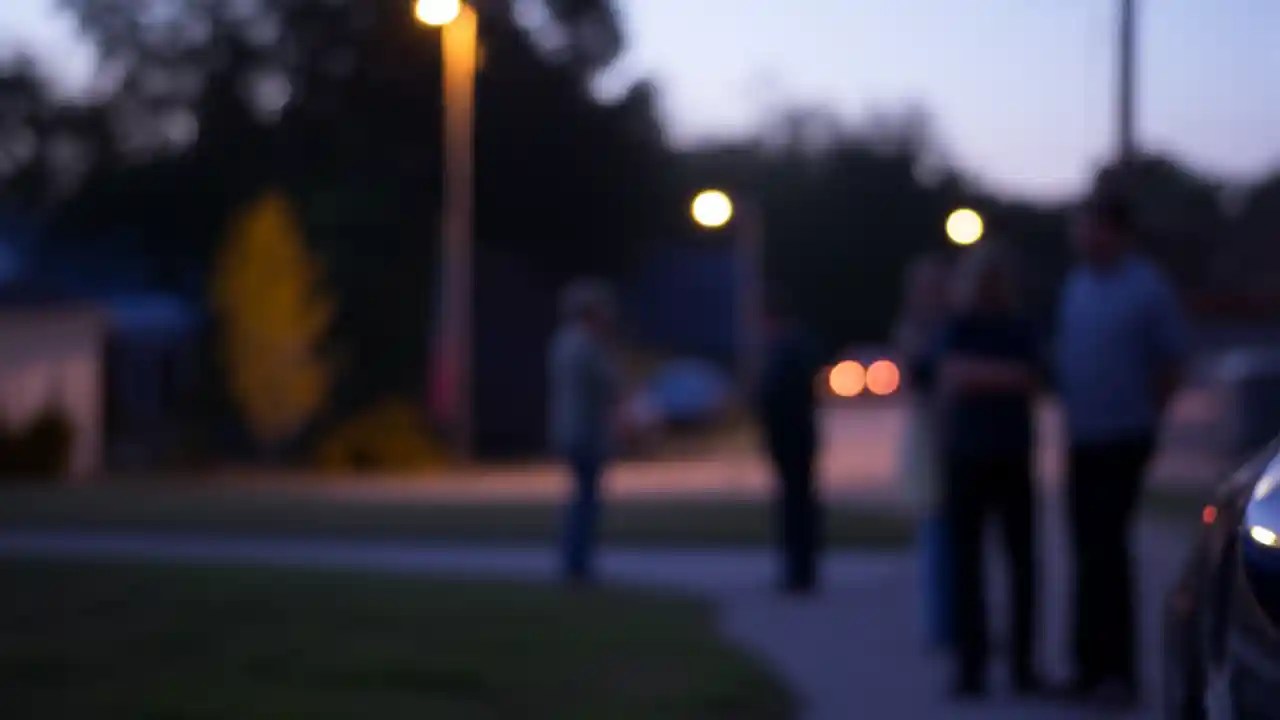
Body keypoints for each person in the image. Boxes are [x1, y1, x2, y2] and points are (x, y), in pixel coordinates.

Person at [1056, 193, 1189, 704]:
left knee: (1110, 554)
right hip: (1081, 438)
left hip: (1124, 437)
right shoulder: (1076, 285)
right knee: (1085, 553)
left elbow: (1171, 364)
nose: (1083, 238)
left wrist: (1148, 419)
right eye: (1080, 228)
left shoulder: (1147, 288)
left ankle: (1120, 674)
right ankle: (1086, 669)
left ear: (1117, 233)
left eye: (1091, 228)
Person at [923, 243, 1043, 697]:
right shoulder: (958, 327)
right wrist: (1002, 376)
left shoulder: (1017, 327)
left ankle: (1022, 667)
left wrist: (978, 375)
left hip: (1010, 456)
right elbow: (948, 376)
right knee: (967, 567)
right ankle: (970, 667)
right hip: (967, 458)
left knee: (1021, 566)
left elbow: (1030, 378)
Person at [894, 254, 955, 649]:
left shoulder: (948, 329)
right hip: (934, 444)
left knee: (955, 540)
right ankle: (940, 624)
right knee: (936, 537)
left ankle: (954, 620)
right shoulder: (917, 333)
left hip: (955, 441)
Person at [548, 279, 621, 585]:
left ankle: (574, 561)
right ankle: (577, 564)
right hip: (586, 433)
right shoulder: (586, 346)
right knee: (586, 501)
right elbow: (608, 385)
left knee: (581, 498)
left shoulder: (563, 342)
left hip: (569, 429)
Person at [758, 301, 824, 594]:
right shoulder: (795, 346)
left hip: (791, 437)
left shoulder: (786, 349)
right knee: (800, 502)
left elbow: (778, 395)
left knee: (796, 505)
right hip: (796, 436)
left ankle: (799, 571)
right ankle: (802, 569)